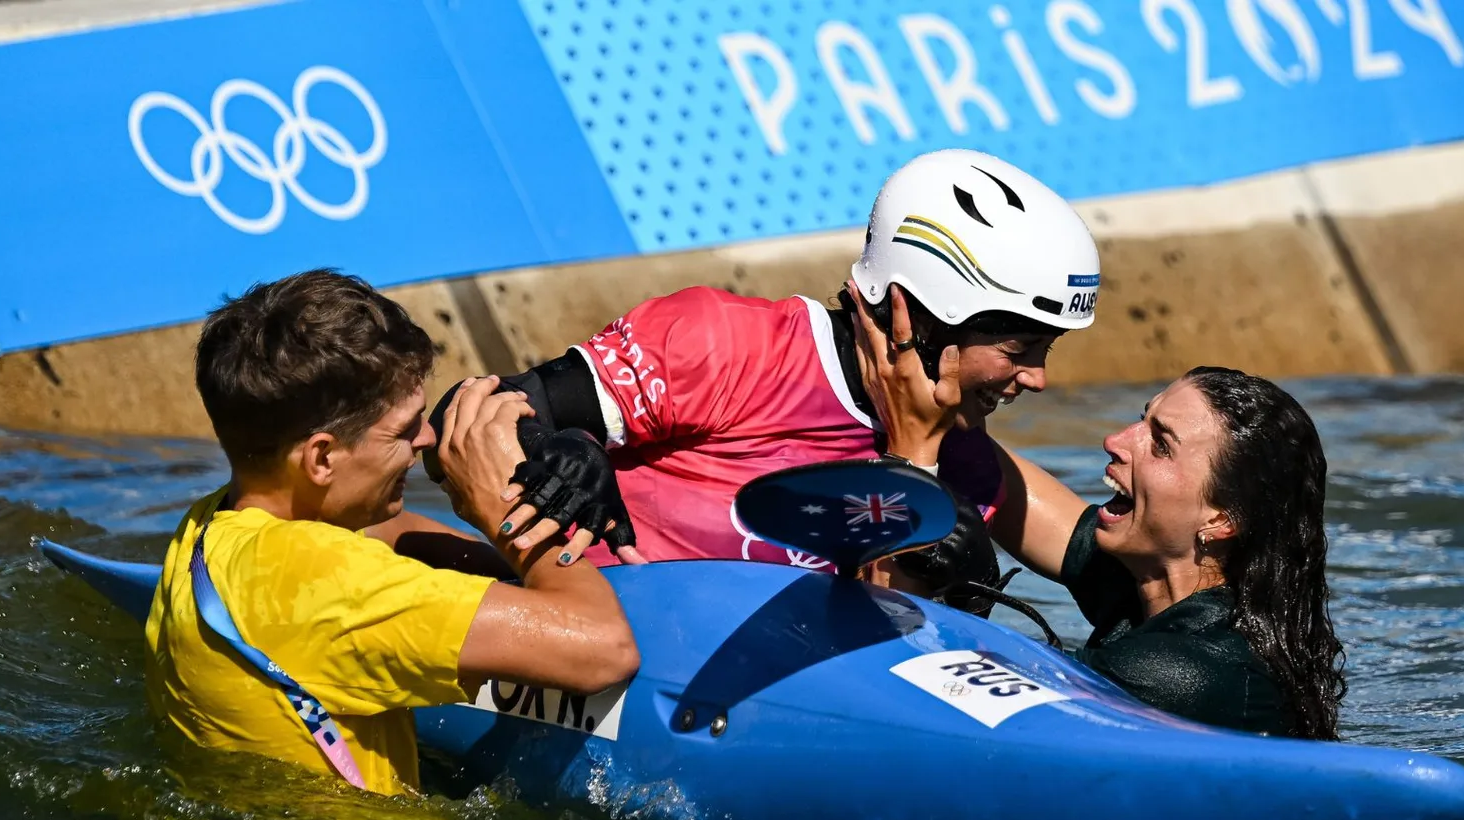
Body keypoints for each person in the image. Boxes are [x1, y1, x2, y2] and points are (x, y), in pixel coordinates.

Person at [427, 148, 1102, 610]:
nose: (1038, 378)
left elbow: (1114, 559)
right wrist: (558, 452)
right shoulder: (723, 343)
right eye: (1020, 348)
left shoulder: (956, 450)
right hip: (586, 651)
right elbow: (456, 418)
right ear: (920, 315)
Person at [145, 270, 640, 797]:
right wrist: (506, 509)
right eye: (405, 430)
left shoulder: (218, 525)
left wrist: (507, 570)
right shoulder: (333, 587)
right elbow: (604, 651)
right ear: (322, 457)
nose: (427, 438)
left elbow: (385, 532)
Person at [857, 305, 1345, 739]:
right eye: (1141, 418)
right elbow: (1001, 489)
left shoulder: (1178, 672)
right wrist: (947, 394)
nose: (1116, 440)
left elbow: (907, 684)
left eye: (1160, 444)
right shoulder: (1156, 579)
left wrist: (911, 456)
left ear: (1220, 521)